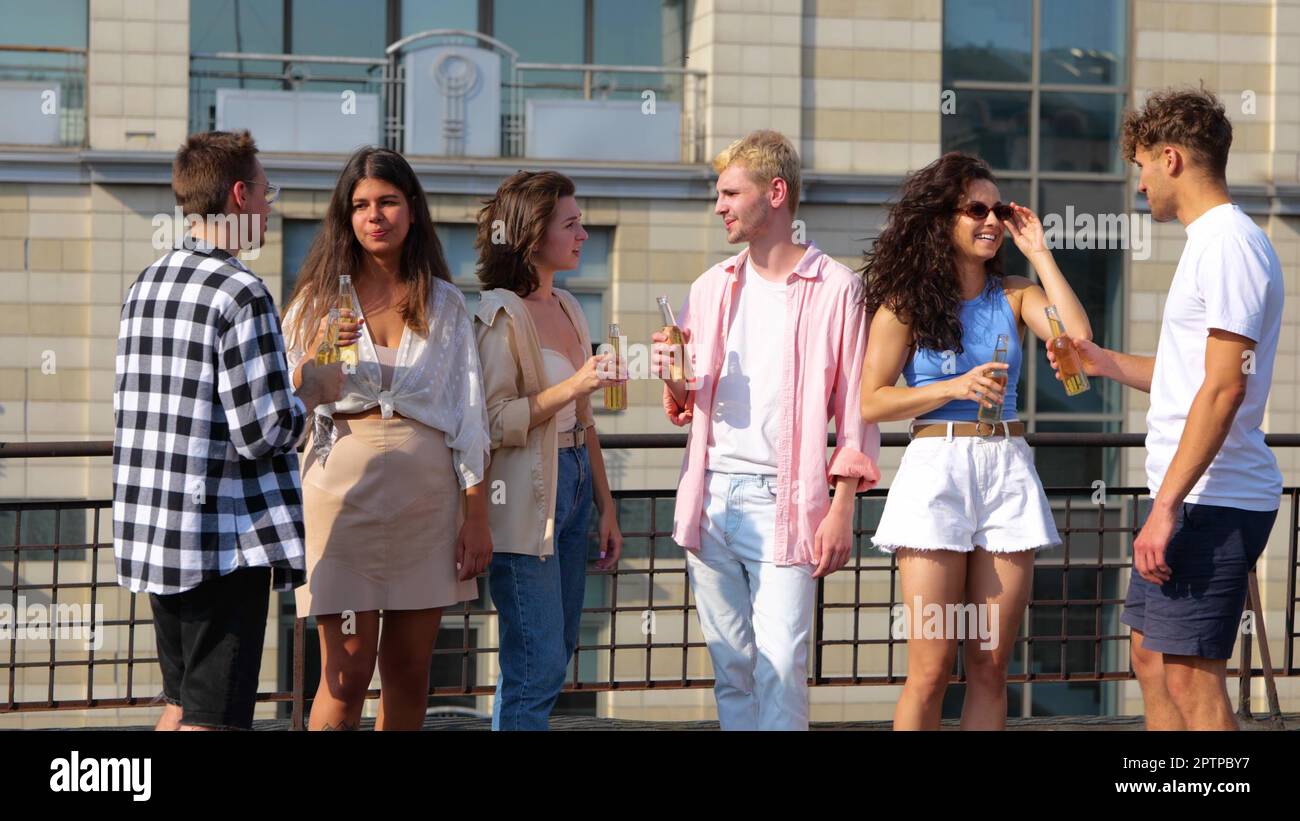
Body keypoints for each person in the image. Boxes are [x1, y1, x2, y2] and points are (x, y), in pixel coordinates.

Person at [1049, 88, 1283, 730]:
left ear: (1172, 158)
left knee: (1188, 676)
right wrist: (1102, 361)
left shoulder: (1228, 245)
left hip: (1212, 498)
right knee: (1153, 660)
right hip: (1193, 495)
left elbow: (1224, 390)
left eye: (1143, 167)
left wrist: (1166, 506)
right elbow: (1193, 380)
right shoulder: (1212, 243)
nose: (1141, 185)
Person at [113, 130, 343, 731]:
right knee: (213, 718)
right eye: (267, 191)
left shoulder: (148, 282)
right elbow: (262, 431)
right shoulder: (241, 293)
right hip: (222, 540)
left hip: (158, 529)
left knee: (182, 703)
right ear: (239, 195)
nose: (271, 205)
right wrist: (313, 390)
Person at [652, 130, 879, 731]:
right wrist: (672, 377)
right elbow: (686, 404)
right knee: (732, 673)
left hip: (787, 502)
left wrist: (842, 506)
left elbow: (857, 409)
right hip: (709, 498)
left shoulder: (837, 289)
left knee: (781, 668)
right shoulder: (710, 287)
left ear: (775, 193)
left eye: (731, 192)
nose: (719, 205)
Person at [859, 152, 1085, 730]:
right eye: (976, 209)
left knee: (989, 666)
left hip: (1005, 465)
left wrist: (1039, 252)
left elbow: (1077, 340)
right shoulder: (905, 303)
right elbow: (871, 400)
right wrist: (953, 386)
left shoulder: (1014, 293)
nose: (991, 221)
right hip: (936, 467)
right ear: (942, 219)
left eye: (998, 210)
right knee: (931, 667)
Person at [282, 147, 492, 731]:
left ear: (413, 210)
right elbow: (287, 403)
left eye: (389, 202)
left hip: (427, 501)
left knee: (408, 669)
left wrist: (476, 514)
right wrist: (319, 346)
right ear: (345, 218)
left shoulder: (446, 303)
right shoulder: (314, 303)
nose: (376, 216)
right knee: (345, 674)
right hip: (340, 499)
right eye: (362, 205)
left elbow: (469, 413)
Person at [473, 170, 624, 731]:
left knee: (556, 653)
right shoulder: (498, 315)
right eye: (572, 223)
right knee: (534, 666)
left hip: (575, 481)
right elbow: (490, 421)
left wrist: (606, 504)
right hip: (522, 497)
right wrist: (572, 385)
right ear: (534, 236)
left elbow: (585, 422)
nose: (583, 233)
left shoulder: (567, 305)